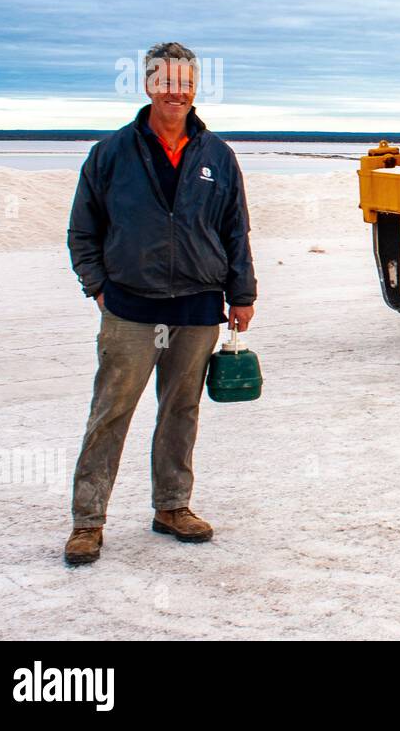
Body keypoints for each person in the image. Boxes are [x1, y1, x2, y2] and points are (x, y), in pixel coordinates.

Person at [63, 41, 256, 565]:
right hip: (130, 306)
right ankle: (88, 520)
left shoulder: (216, 154)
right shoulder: (110, 154)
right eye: (166, 82)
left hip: (197, 307)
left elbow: (234, 228)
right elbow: (83, 230)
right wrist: (99, 285)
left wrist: (242, 293)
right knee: (111, 411)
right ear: (147, 85)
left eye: (186, 83)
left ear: (196, 87)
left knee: (181, 410)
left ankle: (172, 507)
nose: (177, 92)